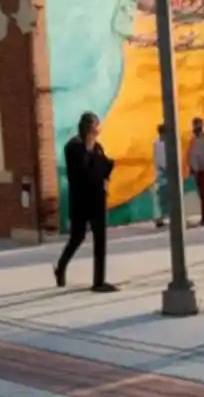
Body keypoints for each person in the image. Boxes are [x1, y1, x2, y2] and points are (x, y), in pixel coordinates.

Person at [55, 112, 118, 292]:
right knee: (77, 237)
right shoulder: (73, 147)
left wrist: (108, 166)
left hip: (98, 199)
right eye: (94, 128)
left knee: (100, 239)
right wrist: (89, 151)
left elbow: (103, 167)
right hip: (81, 201)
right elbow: (79, 172)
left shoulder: (98, 147)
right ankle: (61, 267)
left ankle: (99, 281)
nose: (96, 132)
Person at [152, 124, 170, 229]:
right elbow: (161, 160)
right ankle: (160, 218)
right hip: (163, 173)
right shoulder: (161, 144)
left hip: (161, 173)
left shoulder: (157, 143)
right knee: (162, 197)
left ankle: (161, 218)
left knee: (162, 198)